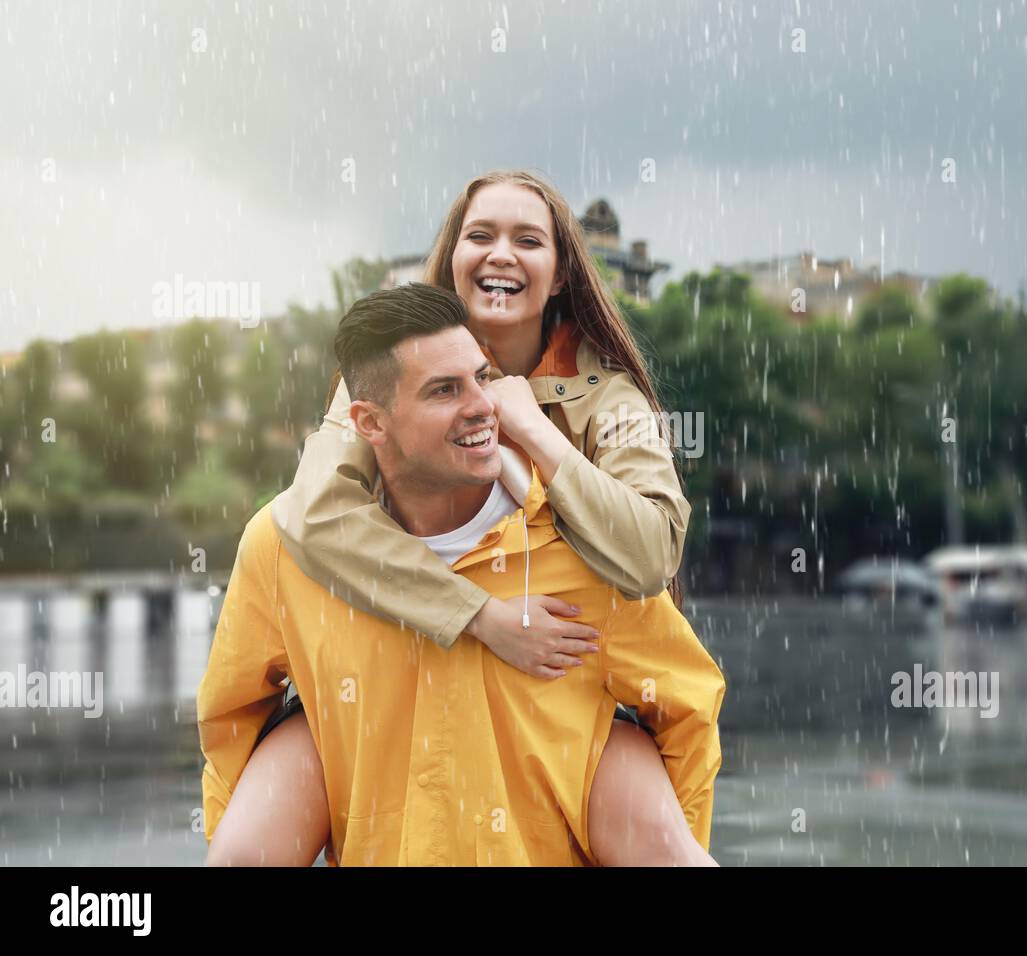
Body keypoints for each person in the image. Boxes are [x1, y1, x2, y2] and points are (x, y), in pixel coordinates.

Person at [210, 169, 710, 866]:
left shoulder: (609, 397)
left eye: (527, 239)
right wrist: (478, 617)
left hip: (559, 694)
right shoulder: (384, 368)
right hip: (383, 666)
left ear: (561, 272)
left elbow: (653, 552)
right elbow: (319, 512)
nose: (501, 253)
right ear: (452, 258)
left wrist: (532, 431)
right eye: (482, 235)